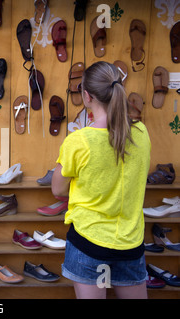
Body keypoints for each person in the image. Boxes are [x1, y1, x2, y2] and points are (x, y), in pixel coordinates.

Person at [52, 61, 151, 299]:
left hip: (88, 244)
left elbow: (57, 190)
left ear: (86, 96)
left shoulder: (78, 141)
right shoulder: (141, 133)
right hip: (130, 244)